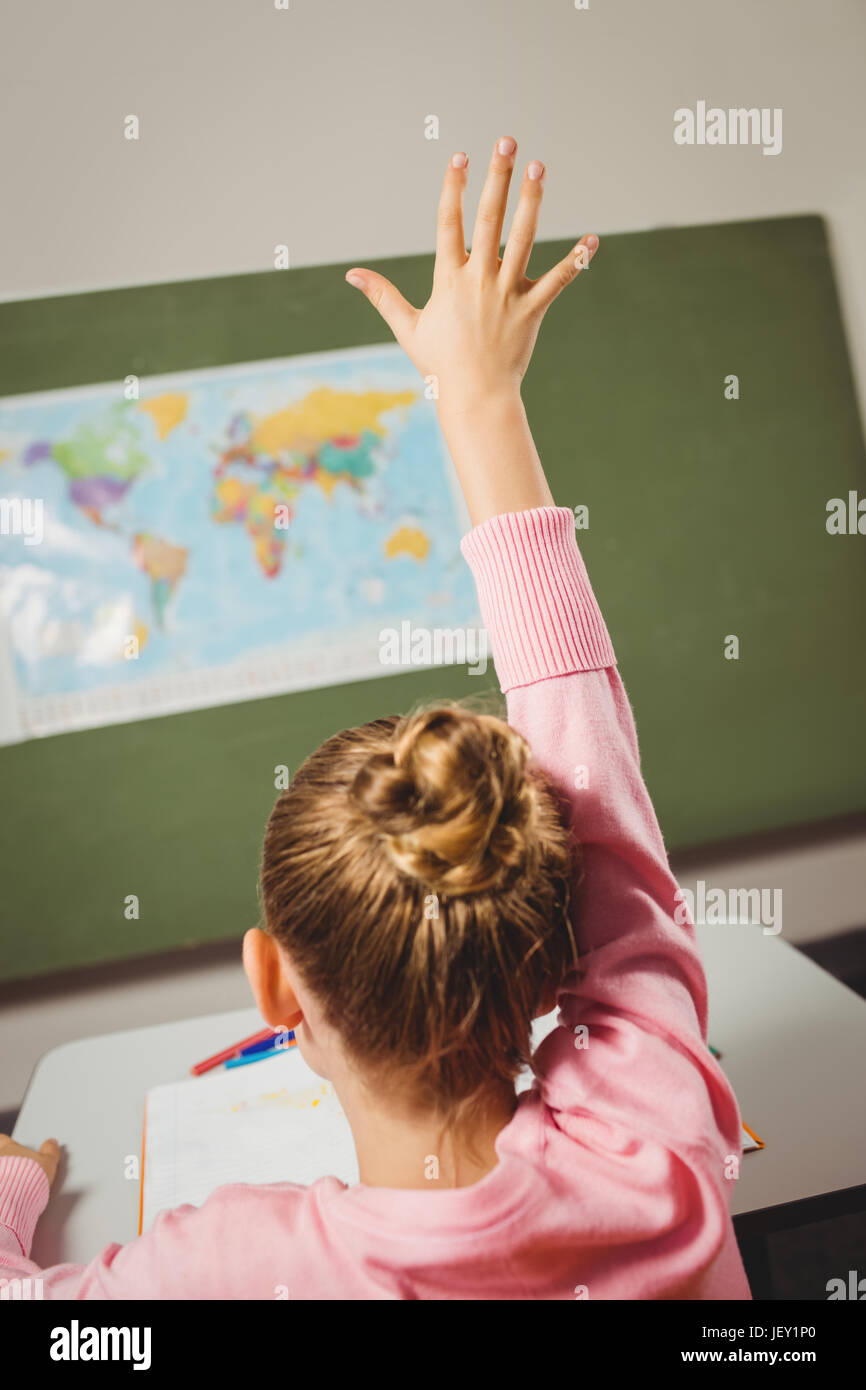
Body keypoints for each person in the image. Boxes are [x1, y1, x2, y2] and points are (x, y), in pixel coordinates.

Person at [0, 136, 751, 1299]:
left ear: (272, 985)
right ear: (549, 955)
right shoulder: (655, 1142)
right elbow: (604, 815)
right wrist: (482, 400)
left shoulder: (230, 1271)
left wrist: (10, 1187)